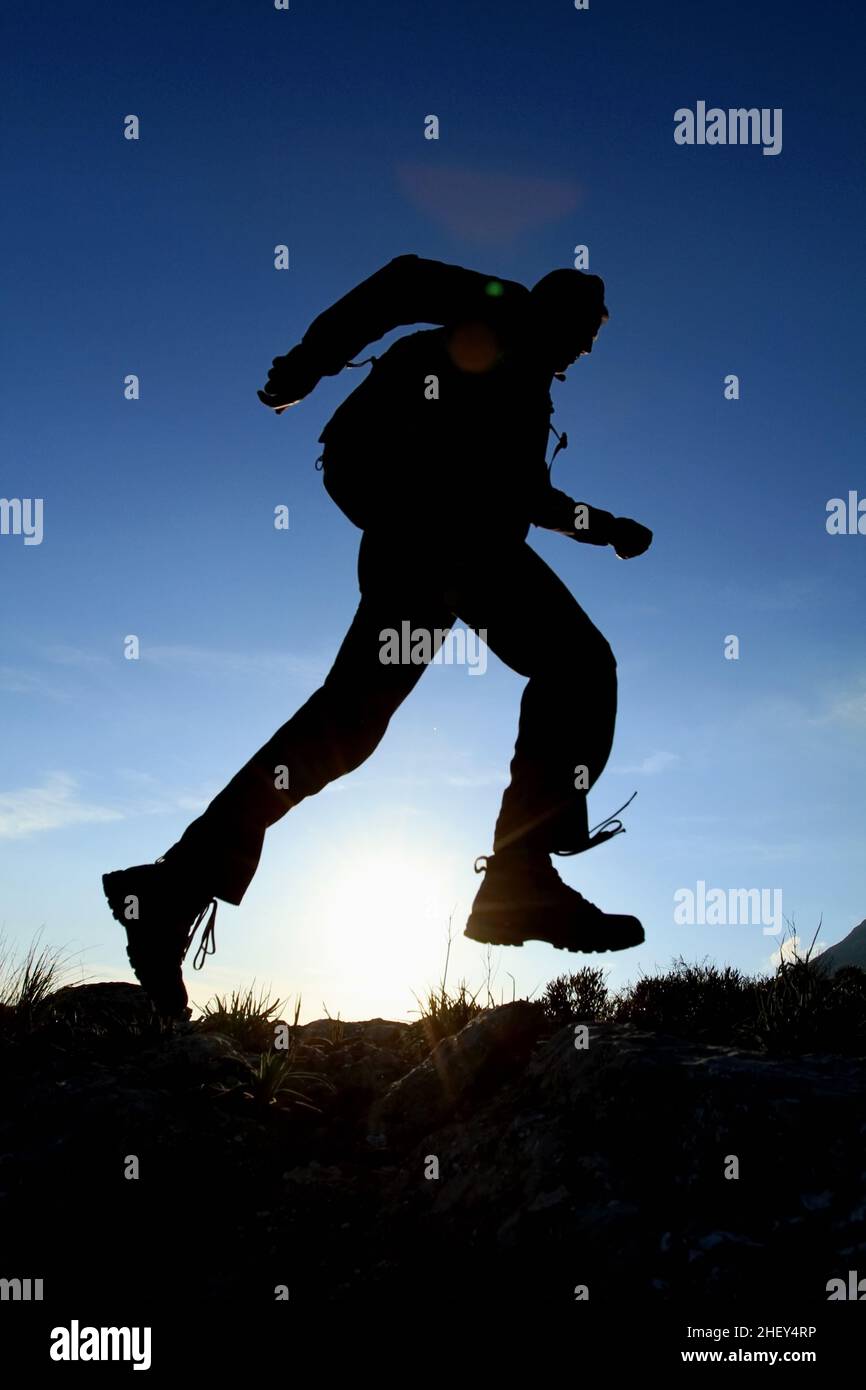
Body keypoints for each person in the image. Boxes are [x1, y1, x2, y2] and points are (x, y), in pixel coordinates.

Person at [103, 254, 653, 1016]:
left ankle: (170, 889)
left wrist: (608, 528)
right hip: (432, 520)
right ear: (560, 309)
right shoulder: (503, 309)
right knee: (576, 665)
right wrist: (311, 361)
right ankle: (520, 879)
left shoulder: (523, 390)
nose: (583, 353)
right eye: (585, 334)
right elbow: (403, 282)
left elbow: (529, 496)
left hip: (449, 537)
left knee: (349, 725)